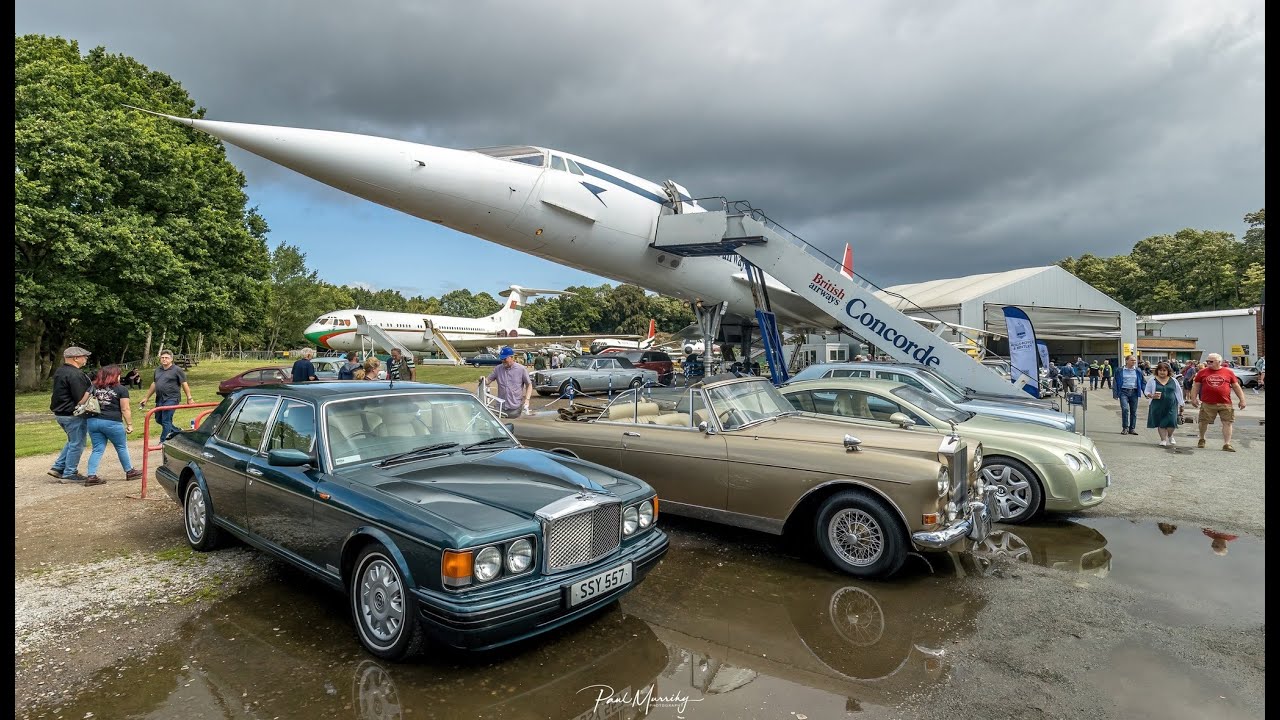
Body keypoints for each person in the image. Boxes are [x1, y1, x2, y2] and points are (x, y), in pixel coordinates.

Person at [78, 365, 143, 486]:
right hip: (112, 422)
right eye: (118, 374)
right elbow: (125, 409)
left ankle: (91, 476)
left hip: (93, 421)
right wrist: (129, 424)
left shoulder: (93, 387)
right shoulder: (121, 389)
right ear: (114, 375)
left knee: (97, 449)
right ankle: (129, 471)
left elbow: (82, 402)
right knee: (121, 447)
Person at [48, 346, 93, 482]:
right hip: (72, 414)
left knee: (72, 441)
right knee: (77, 443)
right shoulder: (75, 374)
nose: (85, 359)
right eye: (84, 356)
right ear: (75, 358)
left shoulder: (60, 371)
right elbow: (80, 398)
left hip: (60, 413)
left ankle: (58, 467)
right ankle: (69, 473)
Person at [1190, 353, 1246, 452]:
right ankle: (1202, 438)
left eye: (1211, 361)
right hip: (1207, 403)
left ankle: (1227, 444)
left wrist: (1242, 400)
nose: (1208, 363)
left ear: (1219, 362)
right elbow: (1196, 386)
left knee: (1227, 422)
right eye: (1207, 361)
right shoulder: (1202, 372)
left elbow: (1236, 386)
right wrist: (1193, 398)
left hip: (1225, 402)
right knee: (1203, 422)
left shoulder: (1228, 372)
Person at [139, 349, 194, 443]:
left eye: (167, 358)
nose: (164, 359)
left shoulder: (177, 370)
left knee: (166, 420)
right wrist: (146, 398)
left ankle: (163, 441)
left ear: (171, 359)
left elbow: (184, 384)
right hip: (160, 398)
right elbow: (154, 384)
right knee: (158, 419)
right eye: (162, 358)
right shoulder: (157, 370)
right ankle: (177, 431)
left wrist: (189, 398)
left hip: (172, 398)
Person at [1144, 361, 1185, 447]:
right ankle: (1163, 439)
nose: (1162, 372)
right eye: (1160, 370)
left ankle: (1170, 435)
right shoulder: (1152, 380)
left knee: (1171, 422)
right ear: (1157, 371)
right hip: (1157, 404)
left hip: (1171, 405)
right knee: (1161, 422)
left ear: (1168, 371)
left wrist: (1181, 404)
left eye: (1164, 370)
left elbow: (1178, 392)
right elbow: (1146, 391)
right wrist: (1151, 395)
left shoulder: (1173, 380)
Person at [483, 346, 531, 418]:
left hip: (515, 409)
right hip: (500, 408)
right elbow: (487, 381)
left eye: (505, 359)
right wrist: (483, 379)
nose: (503, 361)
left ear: (512, 357)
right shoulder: (498, 369)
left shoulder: (521, 369)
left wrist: (527, 400)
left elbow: (529, 384)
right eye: (502, 359)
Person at [1112, 355, 1147, 435]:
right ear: (1126, 361)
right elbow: (1115, 382)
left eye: (1135, 360)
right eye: (1132, 360)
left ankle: (1132, 428)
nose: (1134, 362)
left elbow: (1142, 382)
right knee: (1125, 409)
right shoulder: (1120, 370)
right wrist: (1115, 393)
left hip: (1134, 392)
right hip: (1123, 392)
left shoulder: (1138, 370)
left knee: (1133, 411)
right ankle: (1125, 428)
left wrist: (1146, 392)